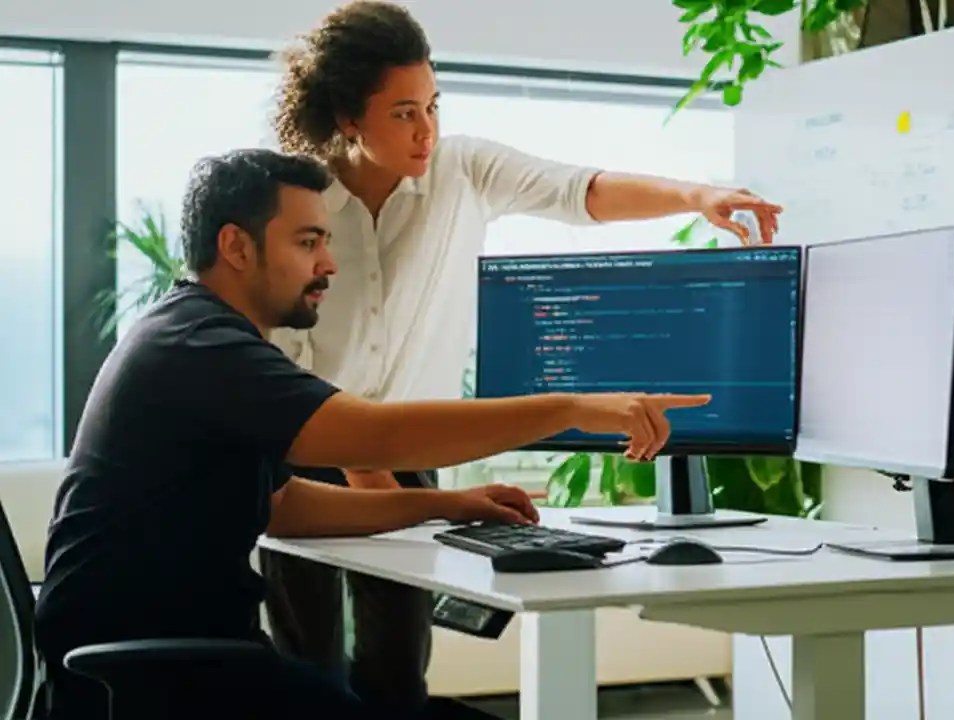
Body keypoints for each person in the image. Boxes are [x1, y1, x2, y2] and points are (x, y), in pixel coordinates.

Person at [32, 148, 710, 720]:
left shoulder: (191, 332)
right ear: (236, 246)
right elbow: (371, 437)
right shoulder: (203, 346)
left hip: (170, 666)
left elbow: (284, 507)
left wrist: (446, 504)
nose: (329, 263)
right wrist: (571, 407)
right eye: (307, 242)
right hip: (157, 682)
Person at [258, 0, 785, 714]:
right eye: (404, 114)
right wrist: (366, 466)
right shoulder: (299, 199)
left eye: (433, 106)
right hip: (306, 451)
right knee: (306, 668)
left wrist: (697, 195)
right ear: (348, 117)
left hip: (411, 445)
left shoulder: (462, 169)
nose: (427, 130)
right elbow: (284, 353)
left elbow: (580, 191)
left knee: (396, 671)